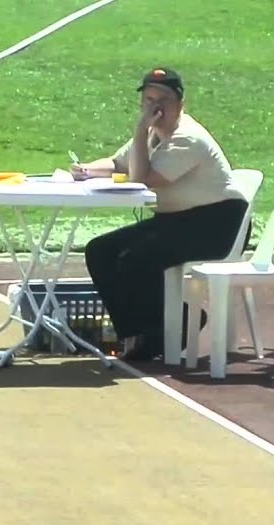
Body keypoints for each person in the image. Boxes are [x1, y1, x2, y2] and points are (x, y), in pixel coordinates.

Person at [73, 68, 250, 361]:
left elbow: (143, 177)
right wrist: (87, 169)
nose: (154, 107)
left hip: (217, 224)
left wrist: (140, 131)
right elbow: (120, 163)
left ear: (181, 102)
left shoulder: (187, 138)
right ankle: (140, 331)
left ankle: (170, 327)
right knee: (100, 250)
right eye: (148, 99)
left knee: (136, 259)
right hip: (176, 220)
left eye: (163, 100)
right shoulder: (154, 133)